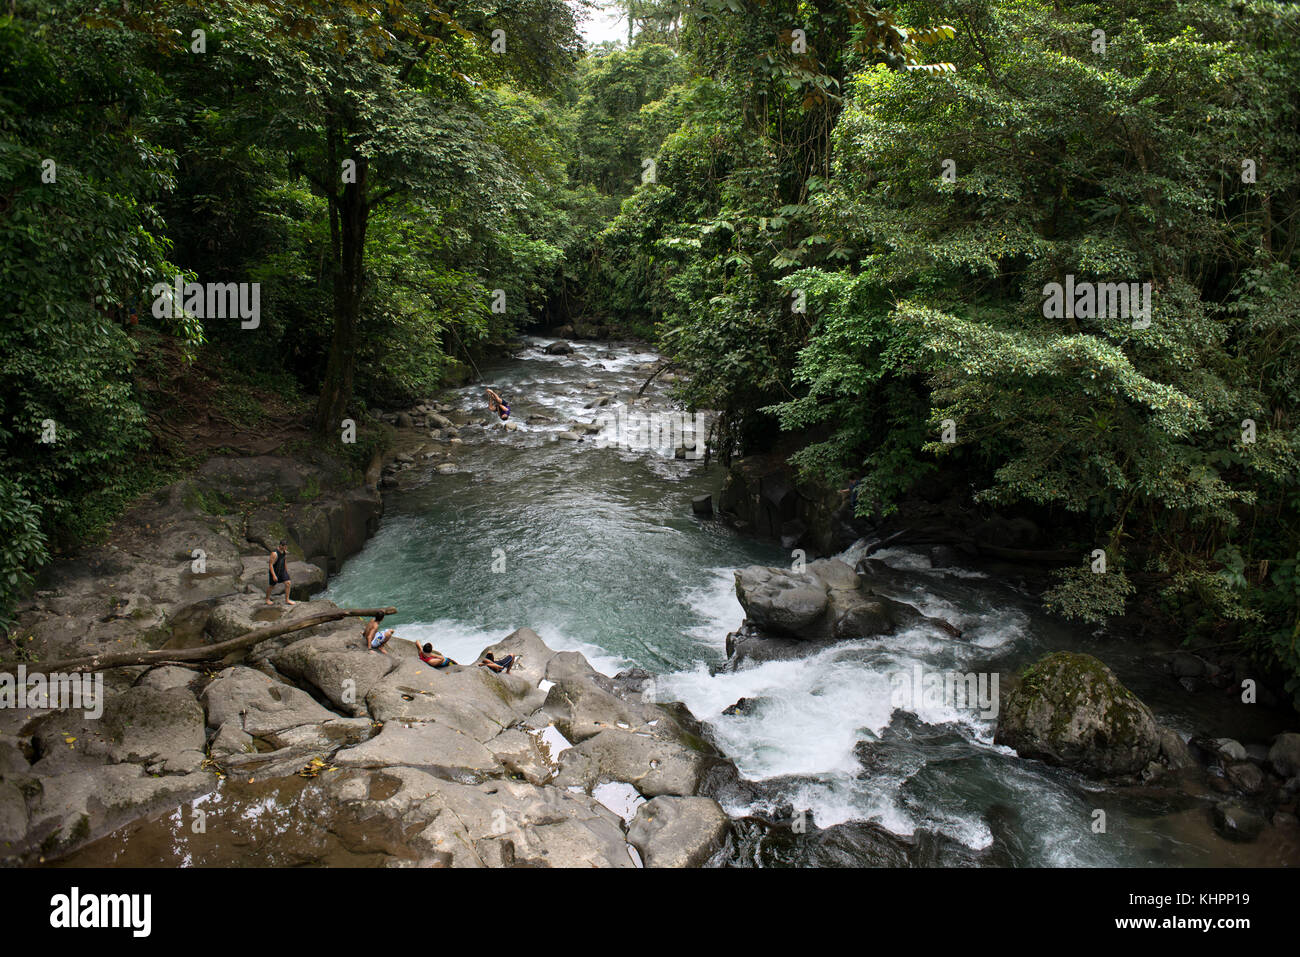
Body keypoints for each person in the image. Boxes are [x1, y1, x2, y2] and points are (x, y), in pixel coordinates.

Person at [266, 540, 295, 606]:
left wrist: (286, 571)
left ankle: (287, 600)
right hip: (275, 571)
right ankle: (267, 599)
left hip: (282, 570)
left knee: (288, 583)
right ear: (280, 546)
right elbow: (270, 565)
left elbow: (284, 561)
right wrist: (274, 575)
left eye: (286, 546)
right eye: (284, 546)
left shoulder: (284, 552)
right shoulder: (274, 553)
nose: (286, 548)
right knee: (271, 586)